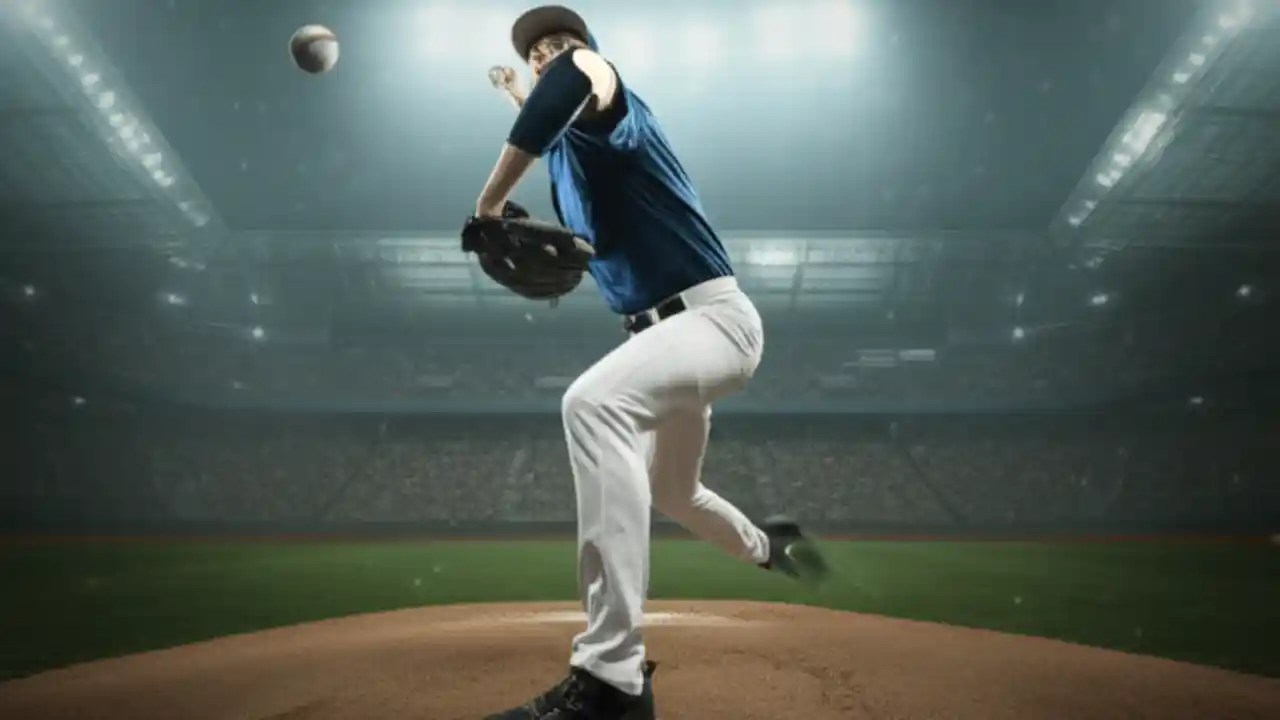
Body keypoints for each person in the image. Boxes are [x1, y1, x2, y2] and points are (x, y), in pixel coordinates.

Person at [476, 6, 830, 719]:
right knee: (673, 491)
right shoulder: (578, 151)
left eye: (557, 41)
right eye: (536, 49)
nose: (546, 52)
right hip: (660, 342)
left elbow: (576, 80)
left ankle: (613, 678)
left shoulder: (606, 88)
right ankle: (772, 547)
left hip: (712, 322)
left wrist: (488, 204)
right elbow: (557, 130)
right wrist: (518, 97)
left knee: (592, 403)